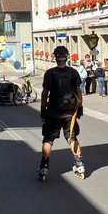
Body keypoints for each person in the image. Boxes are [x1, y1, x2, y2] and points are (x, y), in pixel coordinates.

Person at [39, 46, 85, 181]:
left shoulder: (49, 73)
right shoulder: (73, 72)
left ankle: (44, 166)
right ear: (67, 57)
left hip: (53, 111)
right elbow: (78, 92)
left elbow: (44, 93)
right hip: (70, 113)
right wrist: (80, 107)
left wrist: (43, 109)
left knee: (48, 139)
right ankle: (79, 164)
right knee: (72, 138)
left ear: (55, 57)